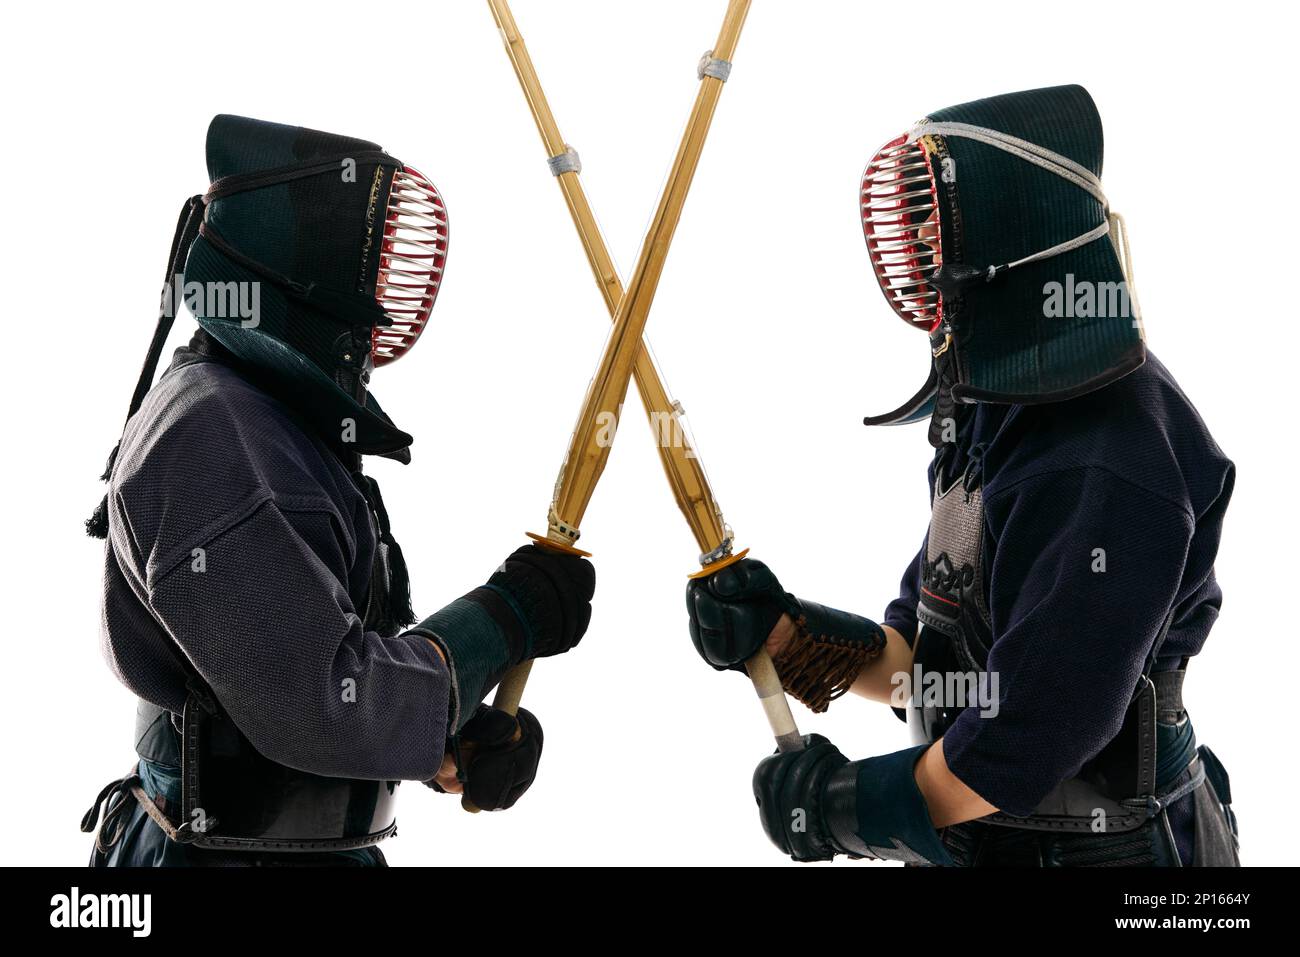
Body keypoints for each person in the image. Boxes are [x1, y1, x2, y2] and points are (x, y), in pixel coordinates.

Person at [685, 86, 1238, 867]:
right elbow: (930, 663)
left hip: (1109, 852)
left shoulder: (1111, 456)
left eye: (932, 225)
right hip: (986, 840)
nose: (913, 250)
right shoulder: (993, 403)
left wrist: (847, 808)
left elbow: (1027, 733)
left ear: (1015, 237)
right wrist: (783, 633)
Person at [81, 115, 594, 866]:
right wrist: (503, 620)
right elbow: (325, 701)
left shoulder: (275, 420)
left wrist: (444, 728)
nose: (381, 301)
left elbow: (336, 649)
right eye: (370, 268)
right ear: (295, 265)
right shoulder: (213, 432)